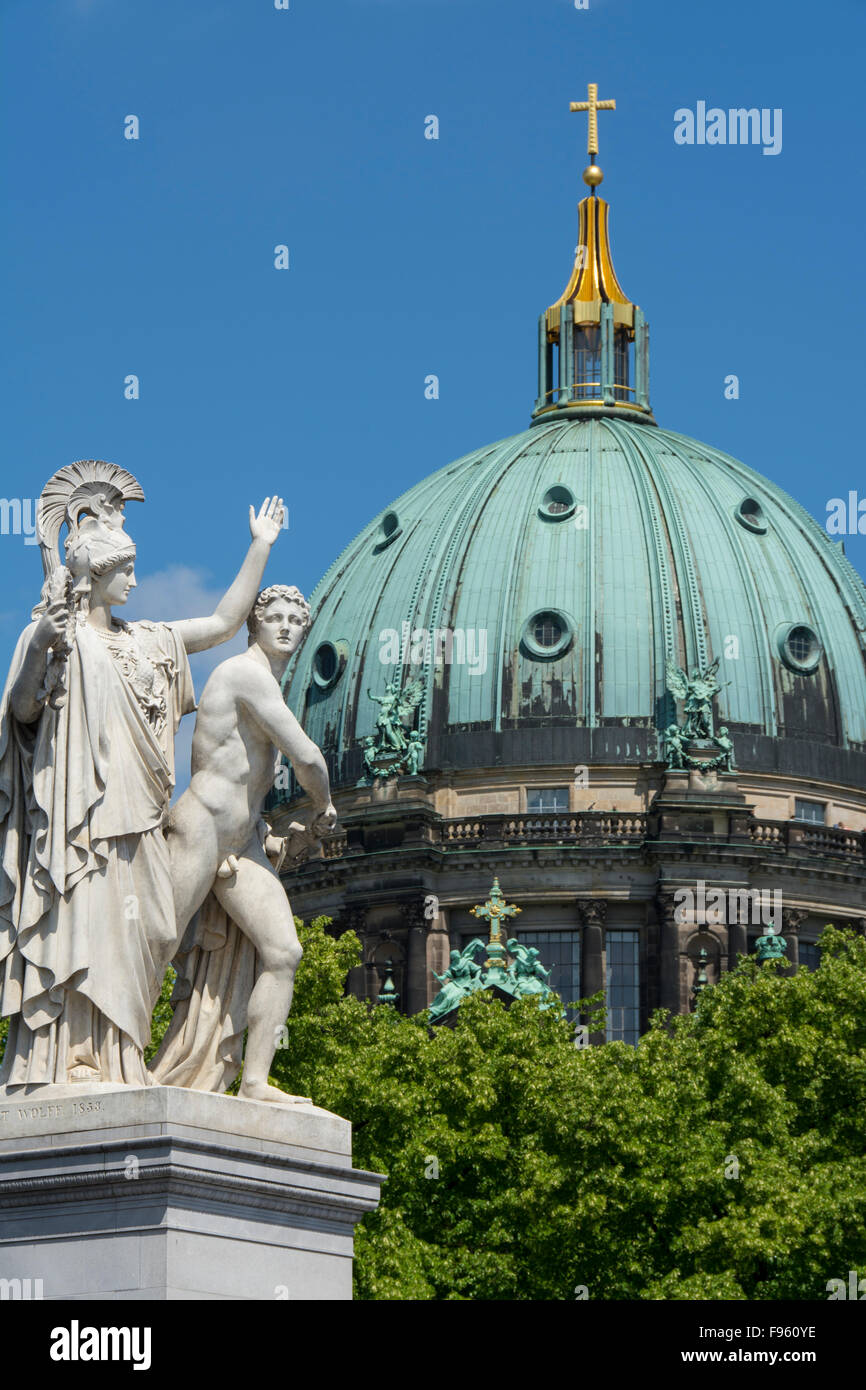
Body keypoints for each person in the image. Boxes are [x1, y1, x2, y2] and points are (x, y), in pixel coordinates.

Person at [0, 459, 285, 1089]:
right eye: (126, 569)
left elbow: (220, 624)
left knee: (144, 938)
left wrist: (259, 547)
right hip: (79, 823)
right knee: (82, 928)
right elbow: (22, 713)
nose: (135, 578)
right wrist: (42, 649)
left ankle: (120, 1059)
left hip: (142, 818)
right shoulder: (51, 636)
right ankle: (69, 1059)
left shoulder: (151, 640)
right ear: (96, 575)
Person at [148, 584, 337, 1101]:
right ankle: (118, 1058)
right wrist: (323, 806)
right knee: (160, 941)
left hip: (243, 840)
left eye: (294, 621)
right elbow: (308, 758)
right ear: (253, 625)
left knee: (284, 952)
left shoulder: (266, 681)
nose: (284, 627)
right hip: (202, 827)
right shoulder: (243, 674)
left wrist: (273, 838)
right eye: (273, 617)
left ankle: (253, 1080)